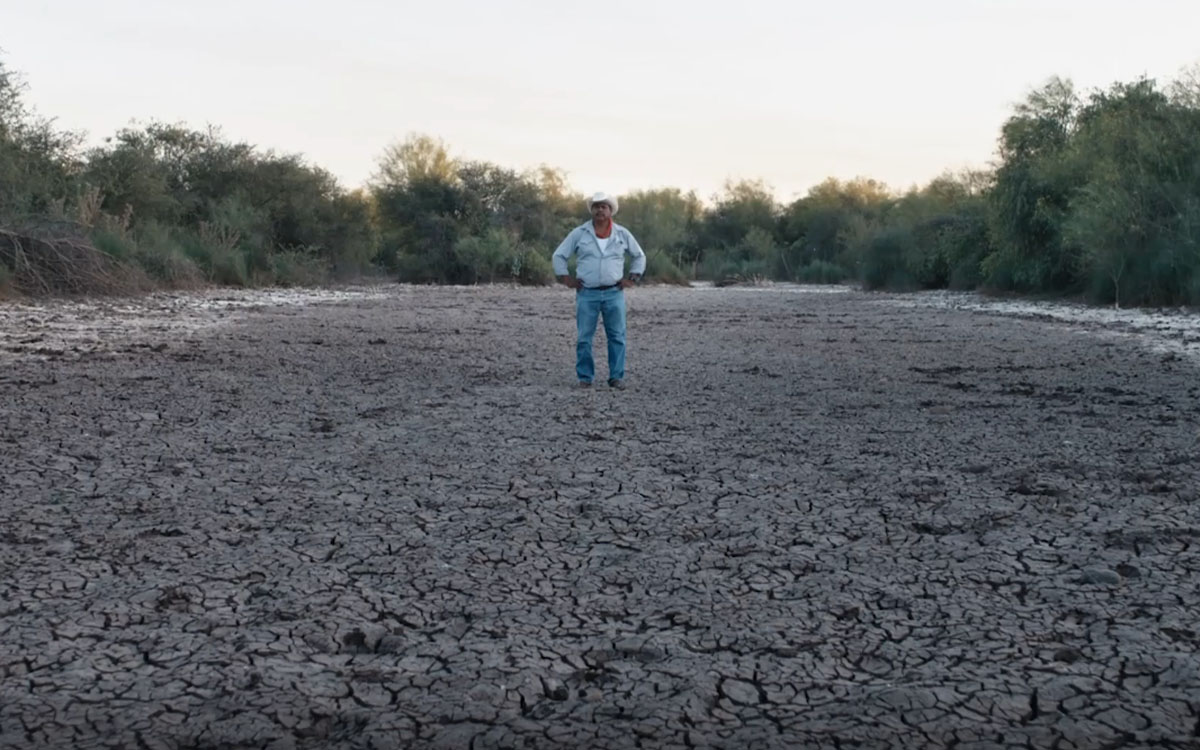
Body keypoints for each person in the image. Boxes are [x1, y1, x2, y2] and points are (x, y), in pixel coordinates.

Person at [551, 192, 646, 388]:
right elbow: (559, 256)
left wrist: (633, 278)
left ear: (611, 210)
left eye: (604, 206)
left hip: (614, 293)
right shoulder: (579, 233)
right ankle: (585, 378)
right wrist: (566, 278)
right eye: (596, 206)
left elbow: (639, 256)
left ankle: (616, 377)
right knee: (584, 337)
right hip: (587, 293)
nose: (600, 209)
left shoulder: (622, 234)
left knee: (617, 336)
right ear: (591, 210)